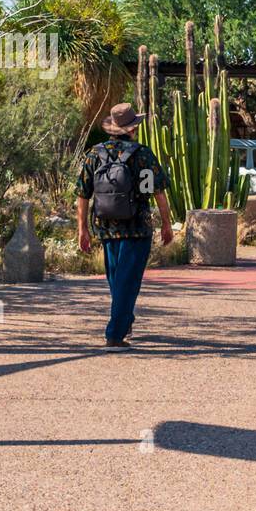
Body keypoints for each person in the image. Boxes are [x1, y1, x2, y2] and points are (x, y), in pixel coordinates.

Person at [76, 103, 174, 351]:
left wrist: (82, 230)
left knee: (118, 280)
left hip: (106, 227)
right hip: (136, 228)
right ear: (132, 129)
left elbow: (82, 194)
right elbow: (156, 192)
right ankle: (115, 334)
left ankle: (125, 320)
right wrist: (166, 223)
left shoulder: (94, 154)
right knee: (127, 282)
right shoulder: (141, 155)